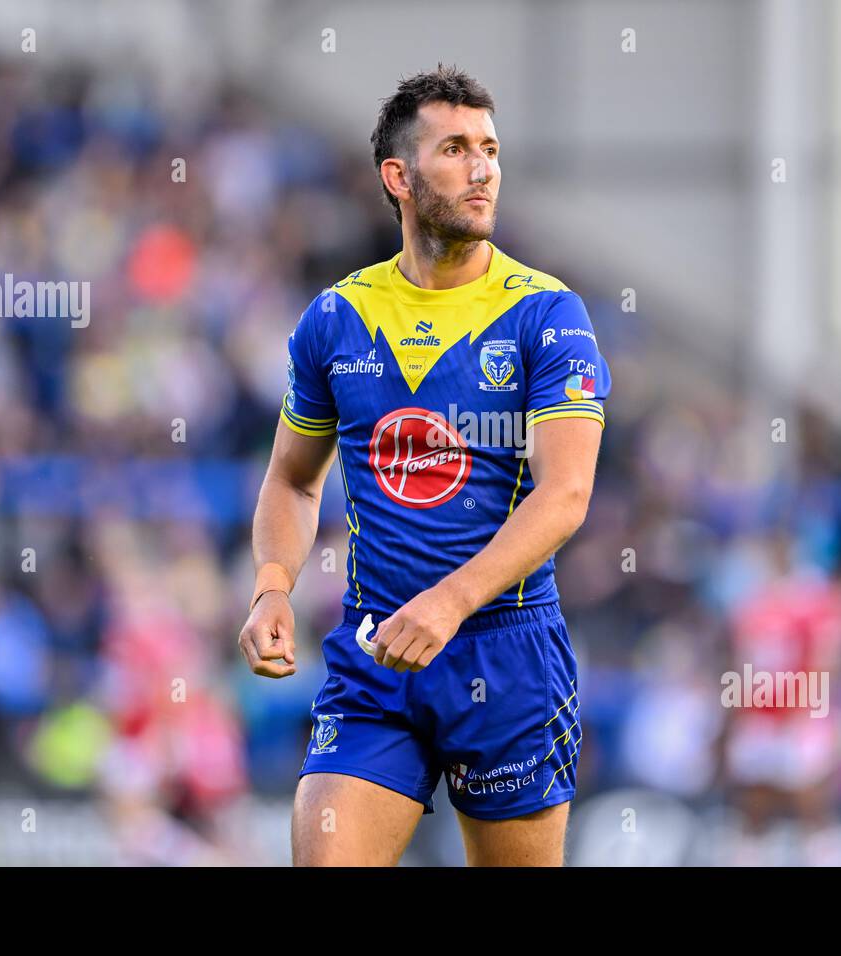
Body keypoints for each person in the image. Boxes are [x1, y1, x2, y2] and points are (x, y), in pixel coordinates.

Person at [237, 65, 611, 866]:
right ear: (398, 177)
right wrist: (273, 585)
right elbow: (293, 478)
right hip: (377, 655)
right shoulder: (337, 319)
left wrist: (449, 604)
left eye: (491, 148)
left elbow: (567, 493)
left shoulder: (548, 315)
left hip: (508, 657)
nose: (482, 170)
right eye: (455, 149)